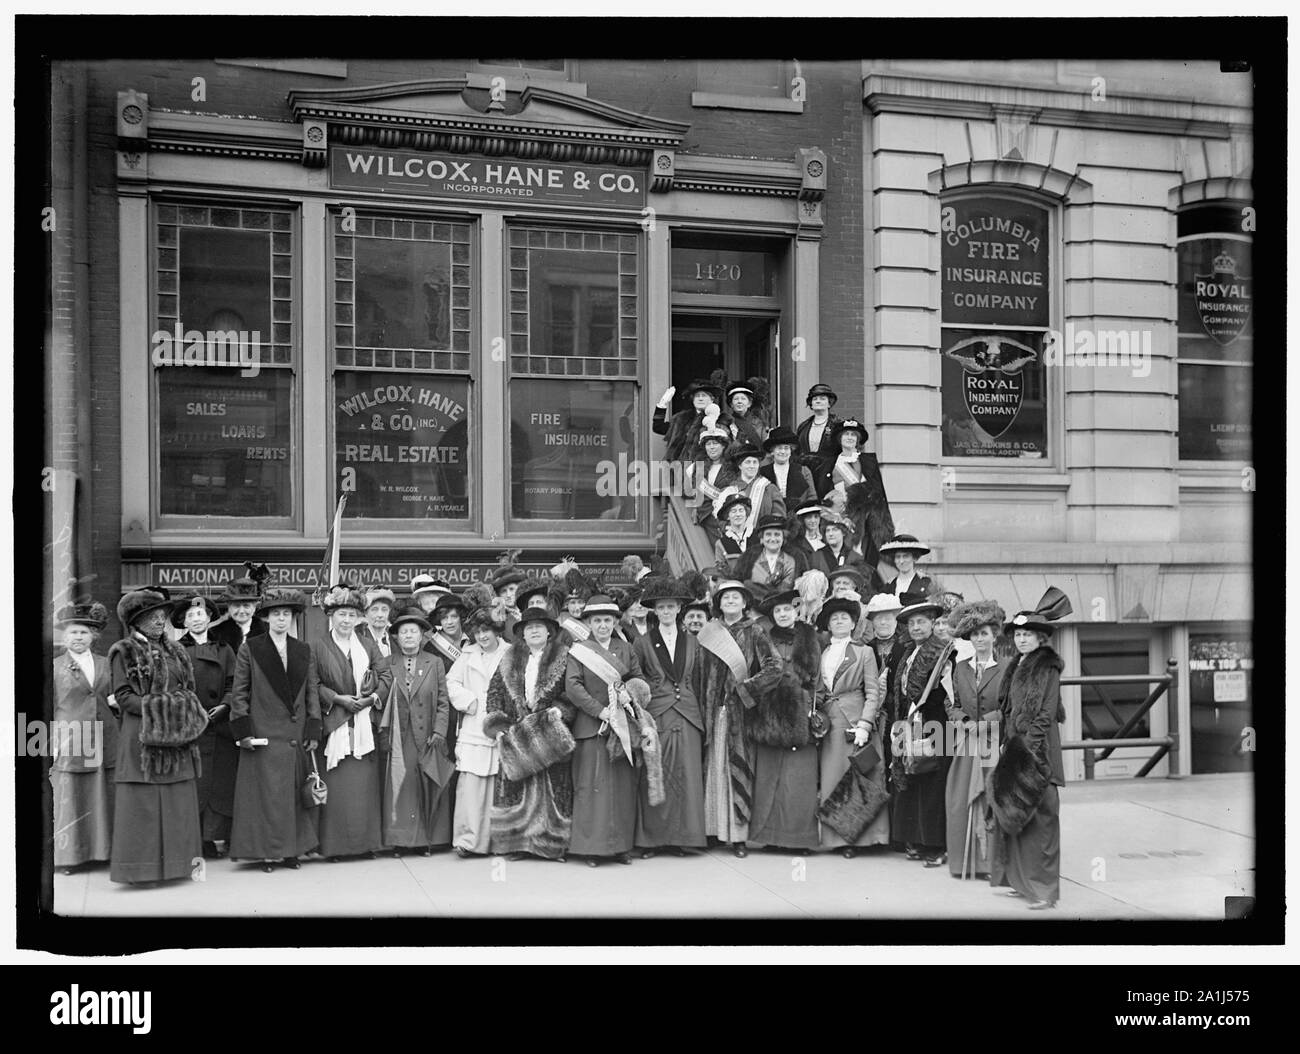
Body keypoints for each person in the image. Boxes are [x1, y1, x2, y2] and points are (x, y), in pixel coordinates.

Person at [108, 588, 206, 884]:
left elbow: (189, 690)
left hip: (177, 740)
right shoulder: (123, 651)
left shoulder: (177, 650)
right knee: (144, 806)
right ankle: (141, 872)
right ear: (135, 622)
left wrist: (186, 708)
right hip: (142, 741)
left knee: (178, 804)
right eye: (151, 615)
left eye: (162, 614)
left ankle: (179, 867)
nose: (159, 619)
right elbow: (123, 697)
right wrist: (165, 708)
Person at [228, 588, 322, 872]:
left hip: (293, 736)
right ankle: (268, 853)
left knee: (291, 797)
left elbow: (312, 693)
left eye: (287, 614)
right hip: (263, 733)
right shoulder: (251, 647)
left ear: (293, 618)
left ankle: (290, 852)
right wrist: (242, 730)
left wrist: (313, 730)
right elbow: (239, 692)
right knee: (267, 798)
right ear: (267, 618)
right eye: (276, 614)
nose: (281, 619)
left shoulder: (302, 649)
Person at [991, 588, 1071, 909]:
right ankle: (1022, 882)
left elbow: (1045, 714)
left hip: (1038, 755)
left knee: (1044, 819)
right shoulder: (1016, 665)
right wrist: (1004, 746)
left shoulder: (1047, 667)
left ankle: (1044, 890)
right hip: (1014, 751)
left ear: (1041, 639)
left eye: (1029, 635)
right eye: (1019, 634)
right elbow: (1007, 710)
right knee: (1018, 817)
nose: (1022, 639)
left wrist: (1027, 750)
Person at [696, 580, 784, 857]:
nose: (731, 601)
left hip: (740, 711)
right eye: (726, 597)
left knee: (738, 767)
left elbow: (775, 667)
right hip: (711, 710)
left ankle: (738, 836)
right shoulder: (708, 632)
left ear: (745, 603)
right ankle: (712, 831)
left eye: (736, 597)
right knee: (713, 767)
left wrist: (748, 688)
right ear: (718, 603)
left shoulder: (755, 630)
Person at [482, 608, 576, 861]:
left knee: (553, 791)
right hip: (517, 735)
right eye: (529, 627)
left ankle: (552, 846)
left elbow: (573, 691)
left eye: (539, 626)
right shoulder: (508, 658)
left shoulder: (564, 657)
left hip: (549, 733)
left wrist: (559, 711)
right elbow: (494, 694)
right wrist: (499, 726)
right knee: (516, 791)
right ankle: (516, 845)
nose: (534, 630)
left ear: (549, 631)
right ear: (522, 632)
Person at [565, 594, 653, 866]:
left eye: (607, 620)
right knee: (592, 788)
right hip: (592, 727)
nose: (602, 625)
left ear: (615, 621)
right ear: (589, 622)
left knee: (621, 788)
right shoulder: (579, 649)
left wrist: (630, 694)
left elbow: (638, 679)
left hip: (622, 729)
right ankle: (592, 848)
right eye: (597, 621)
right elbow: (573, 686)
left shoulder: (625, 649)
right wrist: (600, 711)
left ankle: (621, 847)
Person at [313, 585, 393, 860]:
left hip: (364, 726)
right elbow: (314, 683)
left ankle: (365, 845)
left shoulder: (367, 644)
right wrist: (338, 699)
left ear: (359, 618)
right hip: (336, 723)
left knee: (363, 790)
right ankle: (335, 847)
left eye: (351, 615)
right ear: (331, 616)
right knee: (338, 791)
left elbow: (385, 677)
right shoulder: (318, 645)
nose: (346, 620)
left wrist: (370, 700)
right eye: (341, 614)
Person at [631, 578, 707, 857]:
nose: (666, 611)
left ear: (679, 609)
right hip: (658, 714)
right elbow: (635, 679)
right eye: (661, 607)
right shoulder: (642, 642)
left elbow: (700, 679)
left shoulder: (693, 642)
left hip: (688, 712)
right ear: (655, 610)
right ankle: (653, 840)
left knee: (687, 775)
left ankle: (686, 837)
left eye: (671, 607)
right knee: (656, 773)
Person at [746, 590, 821, 853]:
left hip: (800, 711)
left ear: (796, 611)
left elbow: (816, 679)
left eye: (787, 610)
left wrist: (812, 705)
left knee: (799, 778)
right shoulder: (763, 639)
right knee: (769, 777)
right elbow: (755, 672)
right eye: (778, 611)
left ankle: (799, 838)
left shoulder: (811, 639)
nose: (783, 615)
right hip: (770, 711)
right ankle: (771, 835)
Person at [815, 597, 887, 856]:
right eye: (834, 619)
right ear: (829, 625)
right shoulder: (823, 653)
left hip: (855, 721)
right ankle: (837, 839)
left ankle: (857, 840)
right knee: (834, 780)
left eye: (844, 617)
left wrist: (866, 723)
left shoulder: (864, 652)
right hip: (830, 723)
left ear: (854, 622)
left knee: (858, 780)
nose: (839, 621)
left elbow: (872, 692)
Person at [379, 606, 453, 855]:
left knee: (424, 786)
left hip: (427, 736)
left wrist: (440, 732)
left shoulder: (435, 663)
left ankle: (424, 842)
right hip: (399, 738)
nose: (409, 636)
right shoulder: (387, 663)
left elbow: (444, 701)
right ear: (396, 638)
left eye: (413, 631)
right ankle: (399, 841)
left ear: (422, 636)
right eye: (404, 632)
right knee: (401, 788)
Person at [51, 601, 118, 873]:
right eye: (74, 632)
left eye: (84, 632)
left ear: (94, 636)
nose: (79, 637)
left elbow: (115, 696)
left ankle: (104, 853)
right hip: (71, 739)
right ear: (64, 637)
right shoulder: (54, 667)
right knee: (72, 797)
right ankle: (70, 858)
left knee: (103, 793)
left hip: (106, 737)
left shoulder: (106, 664)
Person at [888, 596, 954, 866]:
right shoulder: (906, 653)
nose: (916, 627)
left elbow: (946, 693)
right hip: (908, 723)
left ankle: (936, 845)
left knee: (934, 782)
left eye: (921, 622)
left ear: (932, 624)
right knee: (910, 778)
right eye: (912, 623)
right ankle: (914, 839)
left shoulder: (944, 652)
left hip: (936, 724)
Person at [944, 599, 1007, 879]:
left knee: (991, 800)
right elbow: (952, 705)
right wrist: (965, 722)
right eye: (975, 635)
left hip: (993, 745)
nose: (980, 639)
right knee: (960, 801)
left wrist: (987, 722)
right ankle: (963, 864)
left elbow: (1009, 707)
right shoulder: (961, 668)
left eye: (985, 633)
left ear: (995, 635)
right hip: (966, 743)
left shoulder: (1006, 668)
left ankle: (989, 864)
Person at [173, 594, 238, 860]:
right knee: (195, 784)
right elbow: (173, 686)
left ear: (209, 618)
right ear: (184, 622)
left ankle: (214, 837)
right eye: (190, 616)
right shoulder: (175, 649)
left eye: (200, 615)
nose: (196, 619)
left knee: (219, 784)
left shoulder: (225, 649)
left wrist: (225, 705)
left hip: (220, 726)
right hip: (191, 726)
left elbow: (235, 683)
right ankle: (197, 839)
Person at [446, 601, 509, 857]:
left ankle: (498, 842)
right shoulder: (467, 654)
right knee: (471, 787)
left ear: (497, 631)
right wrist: (470, 702)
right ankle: (468, 841)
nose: (482, 636)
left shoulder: (511, 652)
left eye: (487, 630)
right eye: (478, 631)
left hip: (501, 728)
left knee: (498, 787)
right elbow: (451, 682)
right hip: (473, 728)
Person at [733, 513, 806, 604]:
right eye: (768, 534)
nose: (772, 539)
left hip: (787, 606)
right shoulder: (749, 555)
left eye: (777, 534)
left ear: (783, 538)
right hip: (754, 606)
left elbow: (803, 583)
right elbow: (737, 580)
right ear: (762, 539)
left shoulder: (796, 556)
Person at [653, 378, 730, 463]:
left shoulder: (721, 419)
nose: (700, 399)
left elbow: (726, 446)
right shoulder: (681, 418)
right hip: (677, 470)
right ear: (693, 400)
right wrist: (662, 404)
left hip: (703, 469)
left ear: (712, 399)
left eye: (704, 396)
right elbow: (658, 427)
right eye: (697, 396)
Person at [716, 444, 785, 526]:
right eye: (748, 462)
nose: (752, 466)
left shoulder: (770, 489)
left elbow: (779, 517)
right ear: (740, 465)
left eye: (755, 462)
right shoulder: (729, 490)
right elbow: (721, 519)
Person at [687, 426, 736, 543]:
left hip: (726, 516)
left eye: (715, 443)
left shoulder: (733, 468)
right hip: (705, 516)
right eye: (708, 444)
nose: (712, 447)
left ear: (724, 446)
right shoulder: (695, 468)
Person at [795, 383, 843, 497]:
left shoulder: (838, 425)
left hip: (829, 474)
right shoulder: (803, 426)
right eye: (815, 398)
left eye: (822, 398)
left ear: (829, 403)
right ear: (810, 403)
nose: (818, 401)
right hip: (807, 475)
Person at [759, 426, 816, 507]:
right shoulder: (762, 472)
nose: (783, 452)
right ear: (772, 451)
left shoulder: (804, 471)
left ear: (791, 450)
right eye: (779, 448)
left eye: (786, 448)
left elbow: (812, 497)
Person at [210, 577, 267, 653]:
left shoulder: (268, 631)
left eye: (246, 606)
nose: (241, 611)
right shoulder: (215, 633)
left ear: (254, 607)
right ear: (229, 607)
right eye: (236, 606)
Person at [818, 511, 868, 579]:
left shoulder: (855, 557)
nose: (830, 534)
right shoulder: (816, 556)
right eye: (828, 530)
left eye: (834, 530)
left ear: (843, 533)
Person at [713, 493, 753, 572]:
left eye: (741, 510)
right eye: (733, 511)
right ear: (728, 516)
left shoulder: (757, 537)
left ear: (746, 514)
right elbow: (720, 571)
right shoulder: (721, 543)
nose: (738, 514)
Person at [726, 381, 768, 449]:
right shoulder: (726, 423)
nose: (739, 402)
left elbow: (765, 445)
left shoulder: (758, 423)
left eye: (743, 399)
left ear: (749, 403)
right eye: (736, 399)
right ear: (731, 404)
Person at [358, 588, 396, 659]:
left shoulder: (396, 638)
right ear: (365, 613)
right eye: (374, 609)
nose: (380, 615)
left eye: (384, 610)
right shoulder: (358, 637)